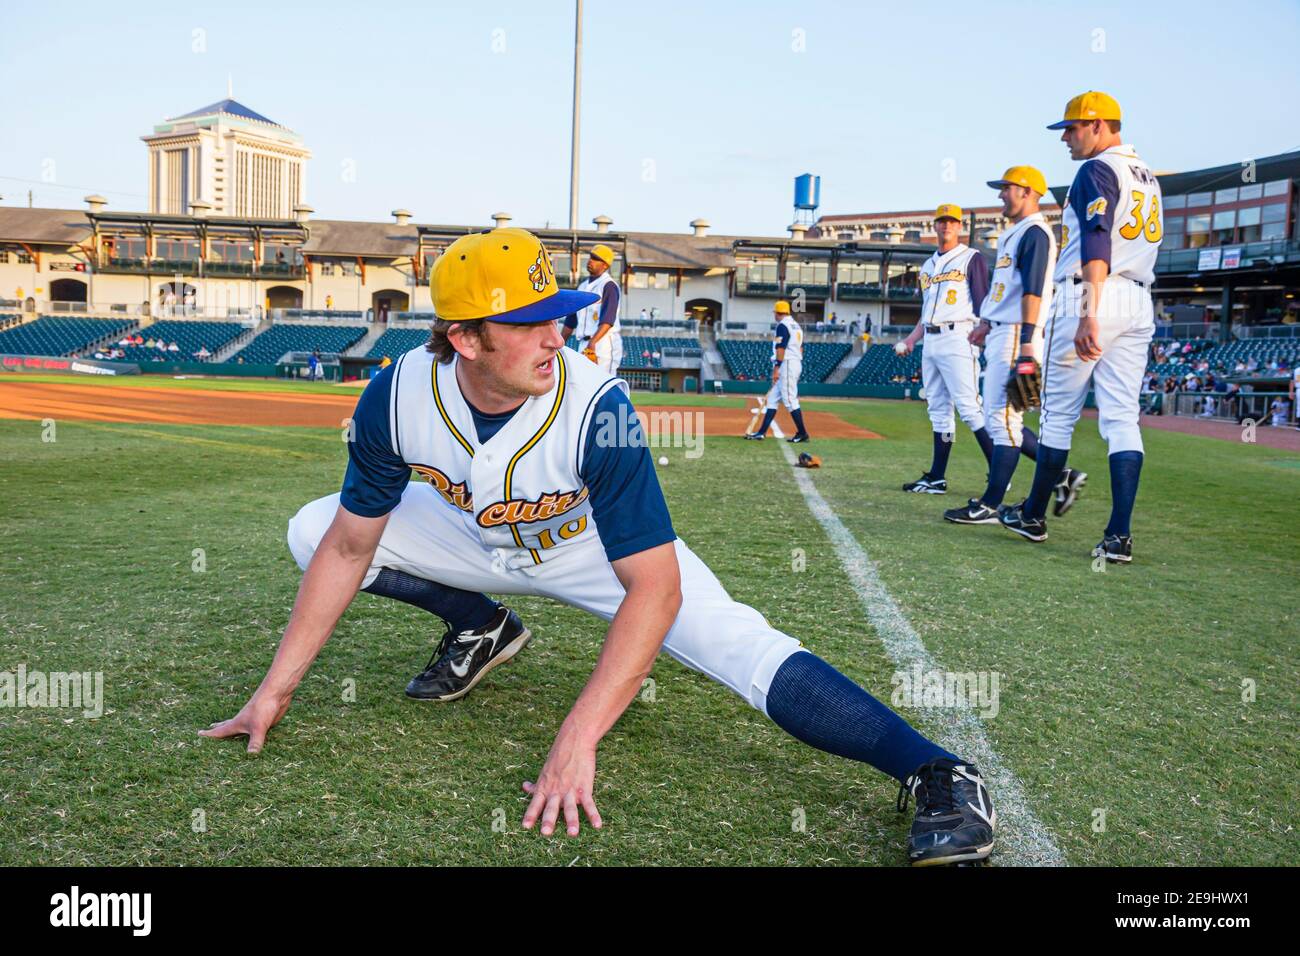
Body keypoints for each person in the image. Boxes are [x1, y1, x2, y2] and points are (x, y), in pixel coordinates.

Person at [199, 228, 998, 866]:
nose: (557, 334)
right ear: (465, 339)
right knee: (314, 528)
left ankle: (936, 771)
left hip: (589, 551)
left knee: (738, 645)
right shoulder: (397, 393)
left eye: (559, 314)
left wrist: (575, 740)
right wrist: (274, 688)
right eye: (529, 322)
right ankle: (482, 625)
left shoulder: (595, 403)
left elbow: (652, 586)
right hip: (468, 536)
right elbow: (347, 549)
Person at [998, 92, 1162, 565]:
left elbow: (1095, 239)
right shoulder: (1147, 176)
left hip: (1092, 291)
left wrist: (1090, 309)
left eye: (1071, 129)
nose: (1066, 138)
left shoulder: (1096, 170)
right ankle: (1118, 536)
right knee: (1121, 418)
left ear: (1097, 125)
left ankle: (1032, 515)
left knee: (1058, 415)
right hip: (1136, 298)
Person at [946, 166, 1086, 526]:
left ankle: (990, 504)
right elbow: (1006, 290)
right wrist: (987, 323)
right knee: (1004, 418)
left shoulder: (1036, 232)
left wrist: (1025, 342)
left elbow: (1034, 291)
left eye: (1006, 188)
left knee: (1002, 418)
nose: (1000, 195)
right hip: (1002, 331)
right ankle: (1062, 476)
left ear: (1027, 192)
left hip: (1017, 335)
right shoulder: (1015, 233)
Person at [897, 204, 994, 494]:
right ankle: (937, 478)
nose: (947, 226)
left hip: (958, 335)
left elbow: (982, 302)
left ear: (959, 226)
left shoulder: (971, 257)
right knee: (939, 410)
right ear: (935, 226)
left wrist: (984, 331)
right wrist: (913, 338)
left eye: (952, 221)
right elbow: (926, 310)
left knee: (969, 408)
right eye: (942, 221)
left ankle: (998, 471)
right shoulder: (927, 266)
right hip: (930, 338)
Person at [745, 300, 810, 442]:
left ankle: (802, 433)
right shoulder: (796, 326)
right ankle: (761, 432)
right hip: (793, 363)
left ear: (778, 313)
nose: (774, 315)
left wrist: (777, 368)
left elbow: (780, 348)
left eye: (775, 312)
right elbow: (801, 348)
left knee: (790, 400)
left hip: (787, 364)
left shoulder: (783, 326)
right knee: (772, 399)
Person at [562, 244, 623, 374]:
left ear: (605, 265)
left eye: (595, 258)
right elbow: (570, 321)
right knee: (584, 387)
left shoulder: (609, 286)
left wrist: (593, 343)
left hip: (604, 344)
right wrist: (560, 343)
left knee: (605, 386)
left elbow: (608, 321)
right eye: (591, 257)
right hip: (584, 343)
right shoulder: (582, 286)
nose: (590, 261)